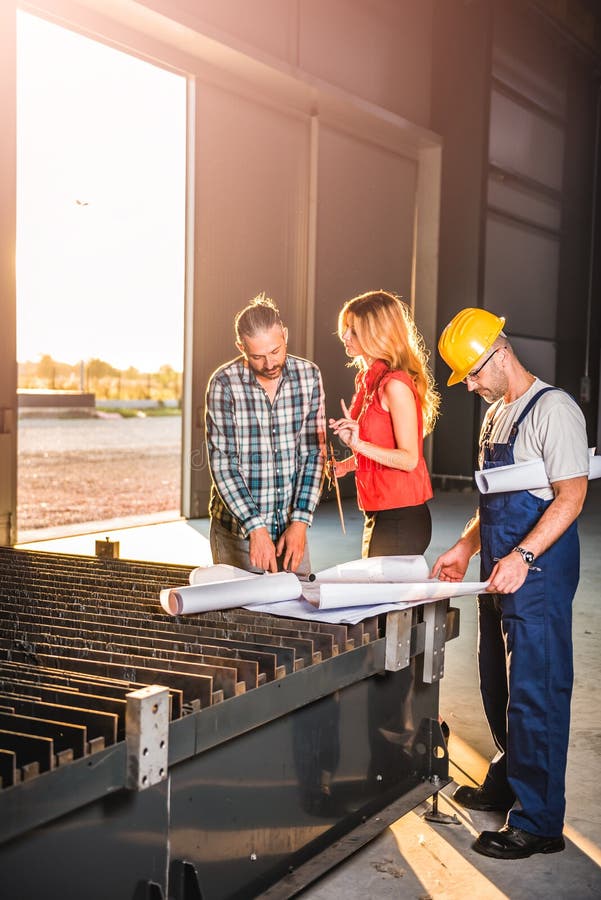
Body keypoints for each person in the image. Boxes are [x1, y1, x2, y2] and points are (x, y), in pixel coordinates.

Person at [433, 307, 589, 860]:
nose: (470, 385)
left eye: (473, 373)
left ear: (499, 353)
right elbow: (492, 499)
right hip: (498, 569)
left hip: (536, 571)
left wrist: (522, 554)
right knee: (496, 680)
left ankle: (539, 821)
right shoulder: (496, 415)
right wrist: (464, 545)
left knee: (536, 692)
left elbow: (571, 497)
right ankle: (508, 773)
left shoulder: (555, 411)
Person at [205, 293, 325, 576]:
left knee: (299, 613)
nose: (270, 363)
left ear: (284, 335)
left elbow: (313, 454)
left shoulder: (309, 376)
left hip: (291, 534)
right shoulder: (223, 384)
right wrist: (255, 527)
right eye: (257, 356)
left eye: (275, 351)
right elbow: (224, 464)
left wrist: (300, 523)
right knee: (243, 618)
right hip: (239, 534)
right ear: (240, 347)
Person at [329, 290, 439, 558]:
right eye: (346, 329)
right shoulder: (367, 381)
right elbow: (380, 449)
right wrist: (345, 465)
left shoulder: (395, 384)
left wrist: (358, 445)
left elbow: (409, 459)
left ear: (376, 333)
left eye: (353, 331)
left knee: (384, 599)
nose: (345, 336)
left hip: (402, 517)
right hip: (378, 512)